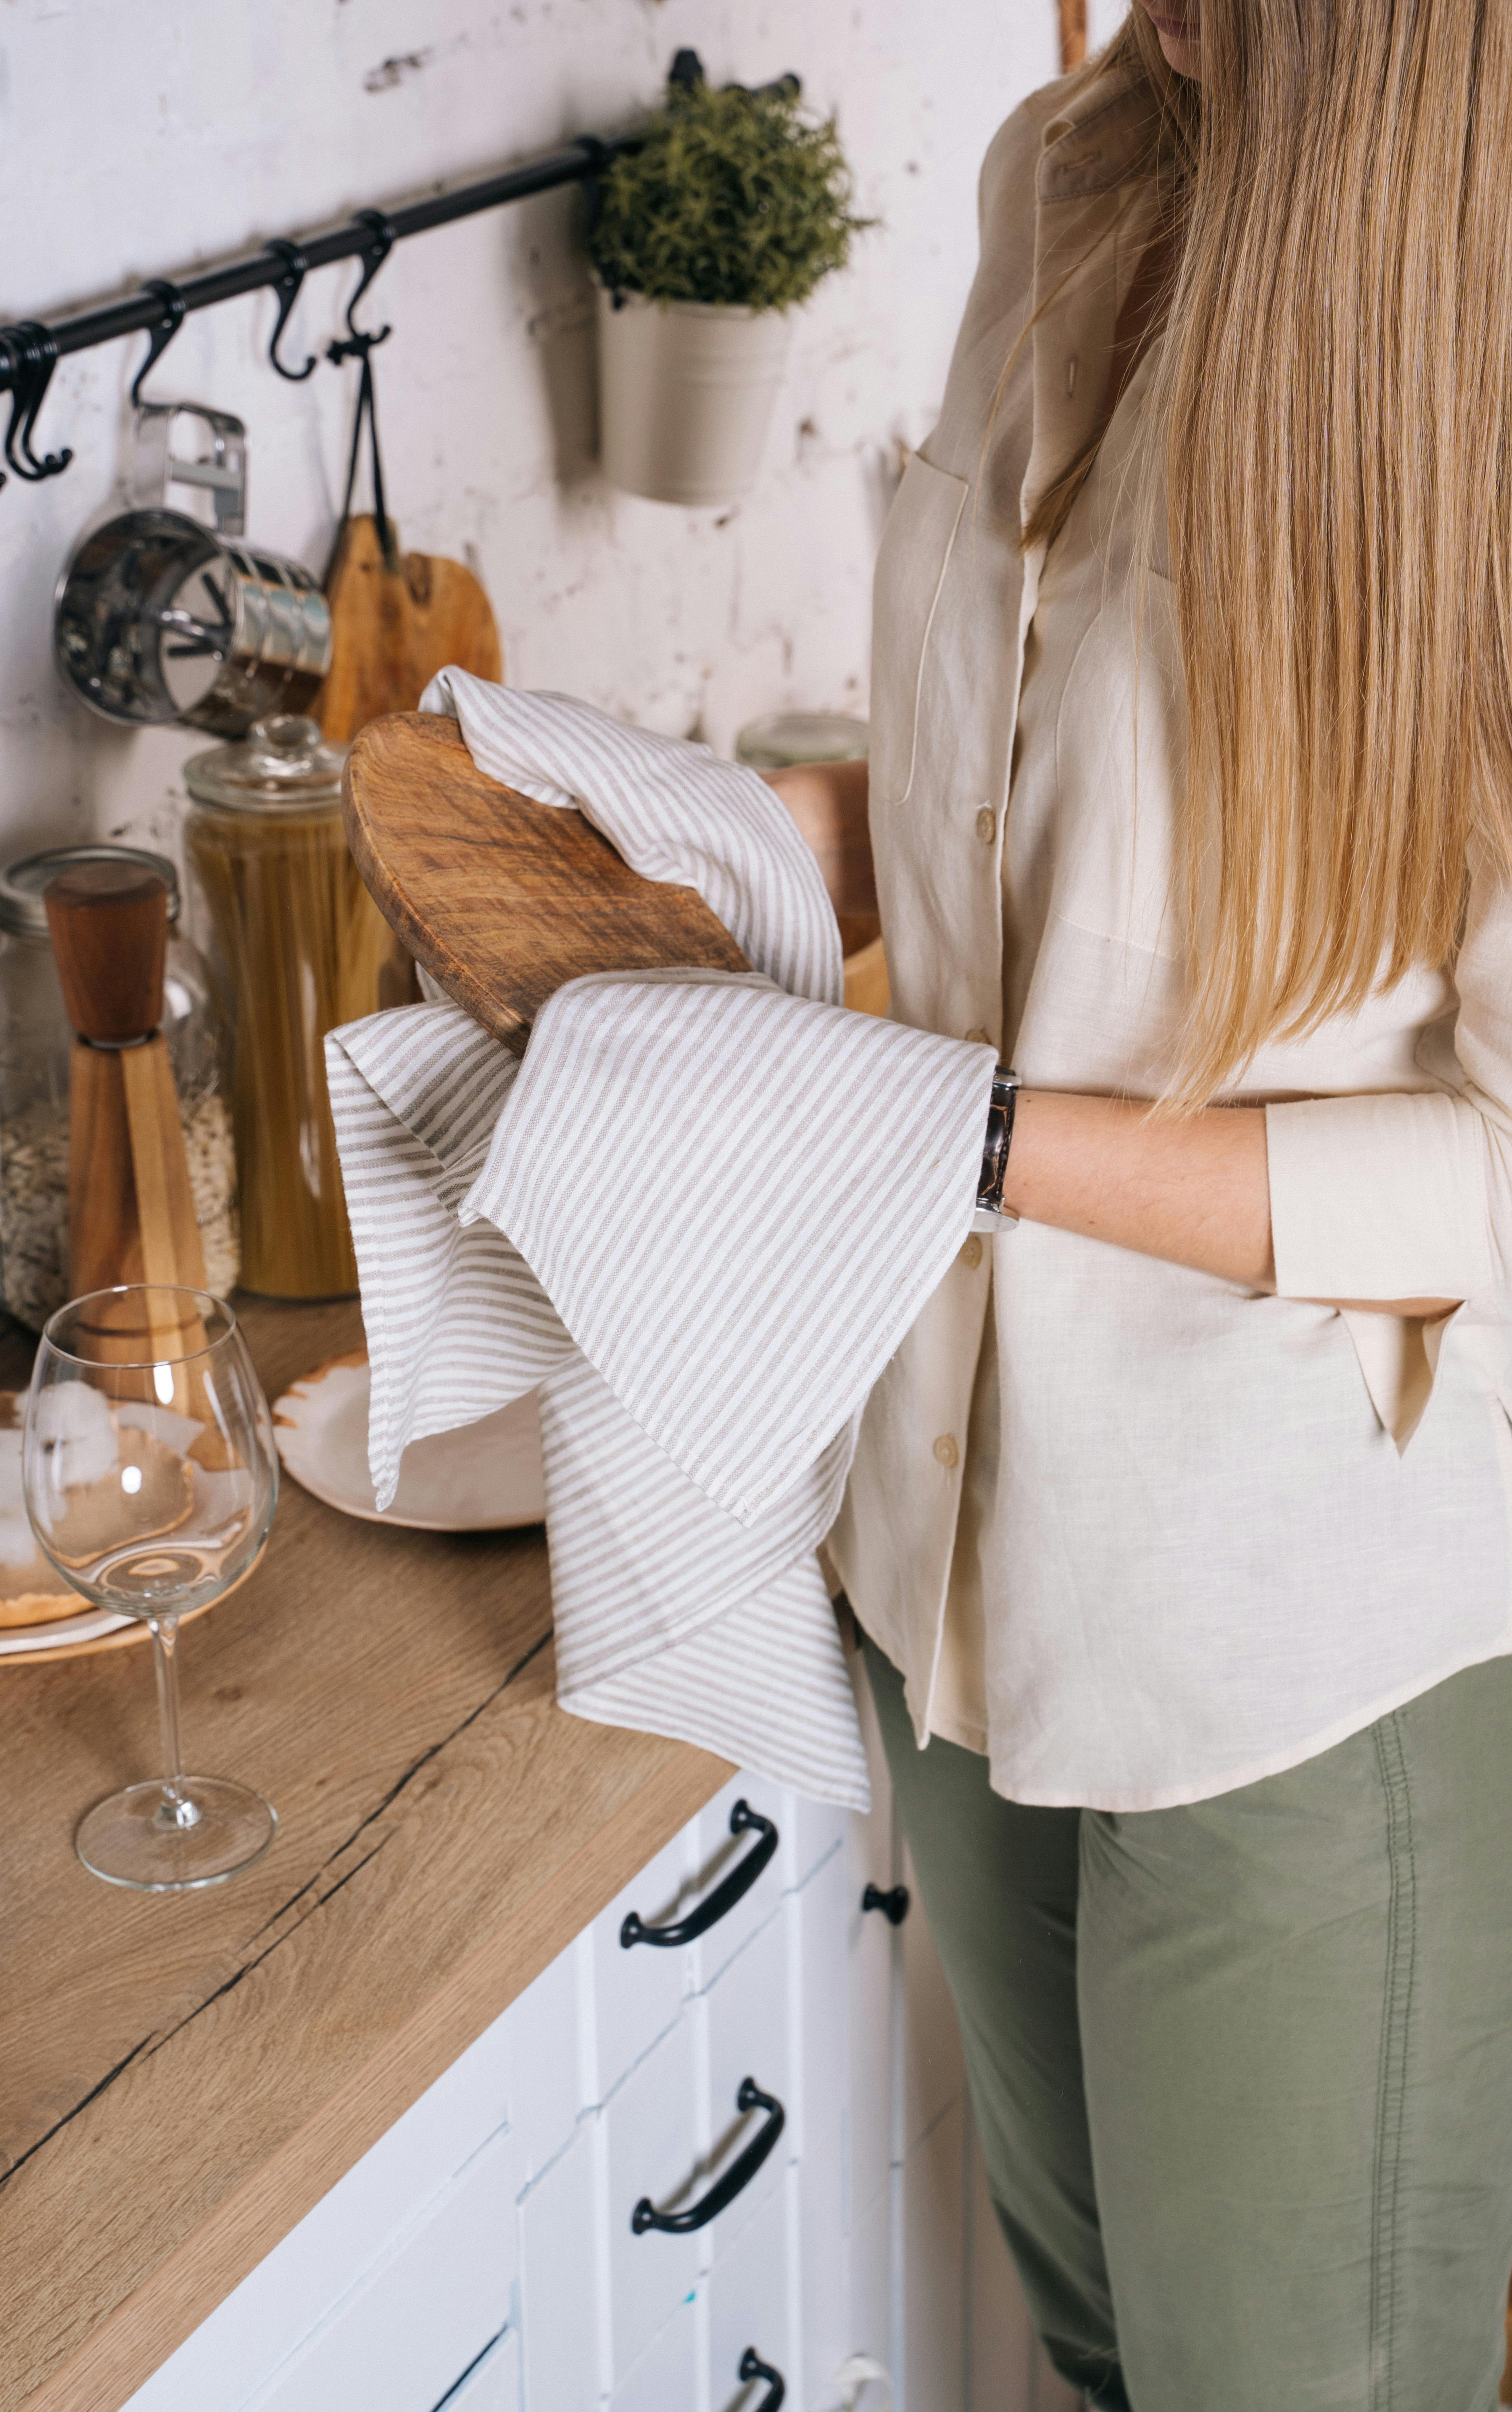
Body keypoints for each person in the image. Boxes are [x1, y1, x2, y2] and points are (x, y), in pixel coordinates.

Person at [827, 2, 1512, 2404]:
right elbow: (1022, 819)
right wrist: (766, 874)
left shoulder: (1475, 363)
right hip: (951, 1571)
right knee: (1114, 2358)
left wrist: (958, 1138)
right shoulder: (1065, 174)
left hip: (1293, 1657)